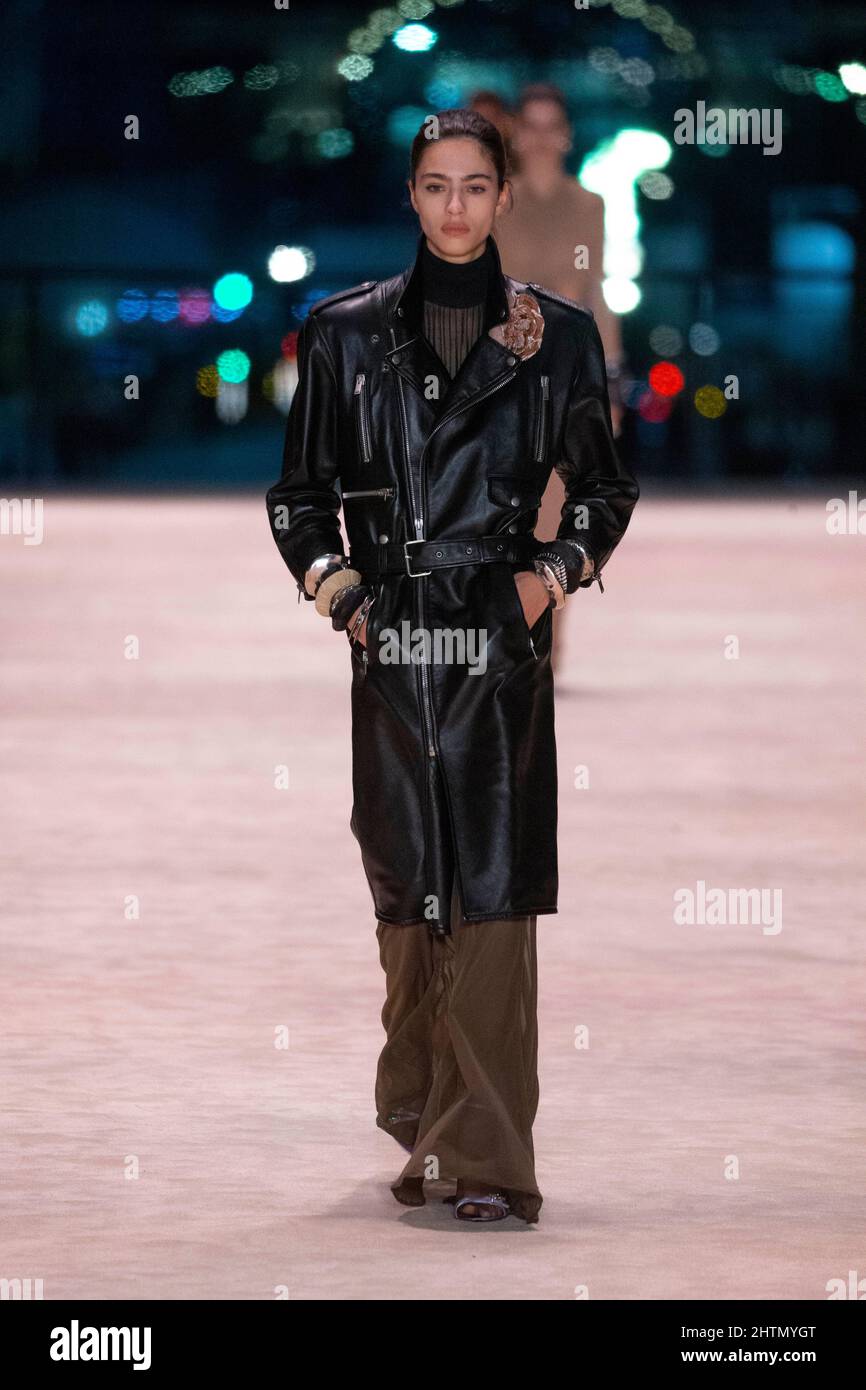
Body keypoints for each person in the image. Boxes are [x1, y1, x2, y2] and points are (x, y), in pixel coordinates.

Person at [265, 108, 639, 1224]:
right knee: (405, 884)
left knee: (492, 887)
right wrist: (340, 595)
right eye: (437, 185)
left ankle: (487, 1159)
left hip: (495, 634)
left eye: (476, 186)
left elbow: (605, 488)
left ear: (502, 197)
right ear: (411, 197)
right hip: (391, 639)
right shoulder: (342, 334)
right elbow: (298, 496)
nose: (457, 206)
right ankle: (425, 1120)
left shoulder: (555, 338)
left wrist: (546, 577)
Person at [492, 84, 627, 676]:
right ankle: (498, 644)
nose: (543, 138)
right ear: (517, 134)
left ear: (568, 135)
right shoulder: (496, 200)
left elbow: (594, 292)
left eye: (554, 126)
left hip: (566, 378)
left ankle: (544, 648)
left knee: (556, 516)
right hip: (500, 377)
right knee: (496, 515)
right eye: (533, 126)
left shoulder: (589, 204)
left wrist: (612, 380)